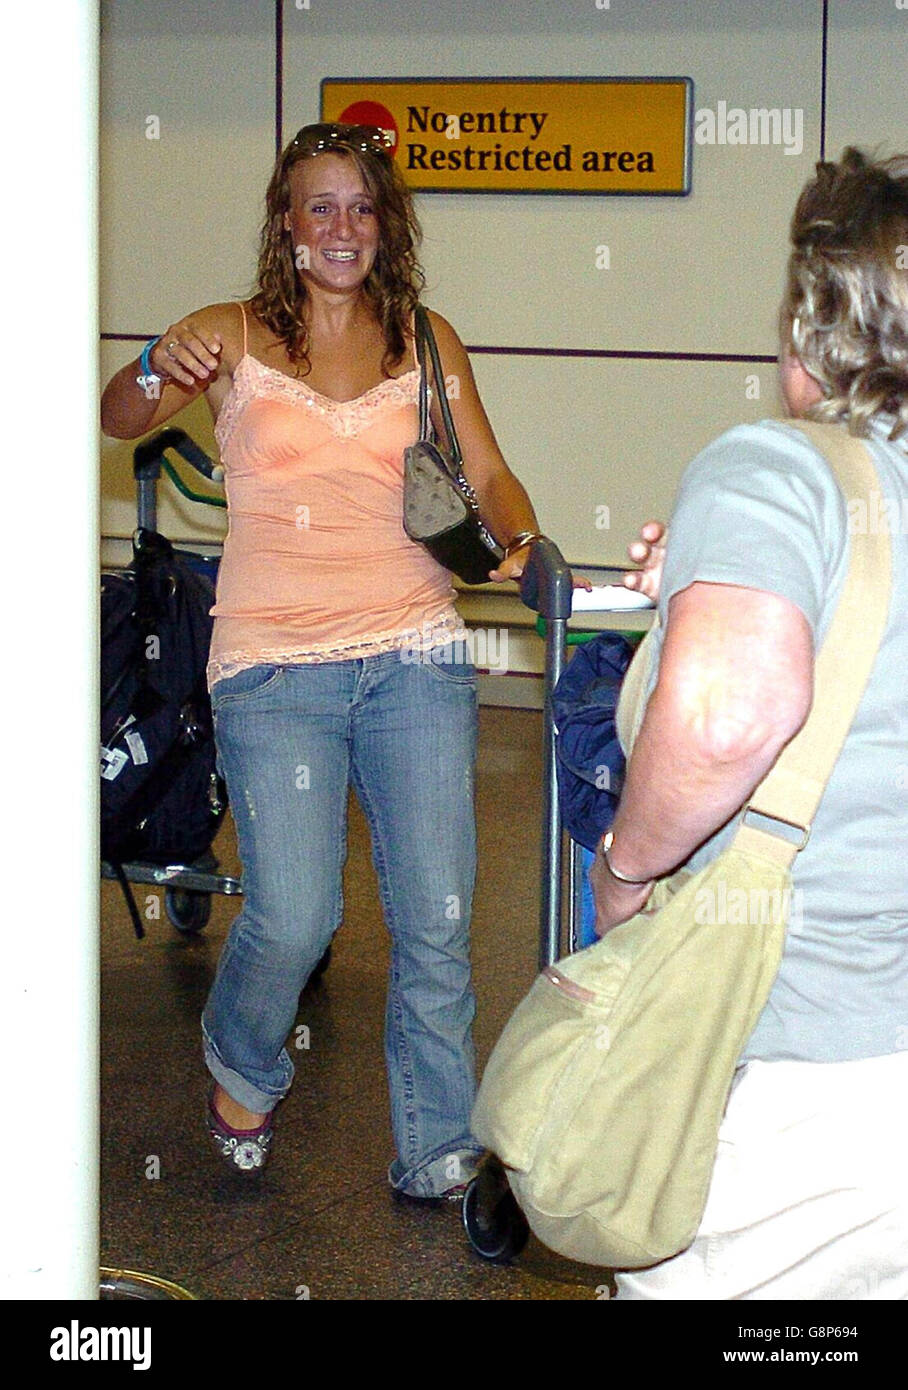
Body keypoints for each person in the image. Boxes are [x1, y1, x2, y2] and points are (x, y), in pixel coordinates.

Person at [100, 122, 542, 1197]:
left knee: (436, 914)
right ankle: (242, 1058)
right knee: (296, 916)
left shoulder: (426, 340)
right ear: (285, 225)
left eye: (360, 206)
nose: (340, 228)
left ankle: (435, 1144)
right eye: (318, 207)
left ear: (385, 222)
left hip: (414, 649)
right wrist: (158, 362)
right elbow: (118, 416)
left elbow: (487, 476)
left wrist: (524, 546)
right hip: (273, 664)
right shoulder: (231, 334)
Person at [591, 147, 908, 1298]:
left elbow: (728, 714)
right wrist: (716, 576)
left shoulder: (776, 470)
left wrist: (626, 871)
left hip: (806, 1078)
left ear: (810, 319)